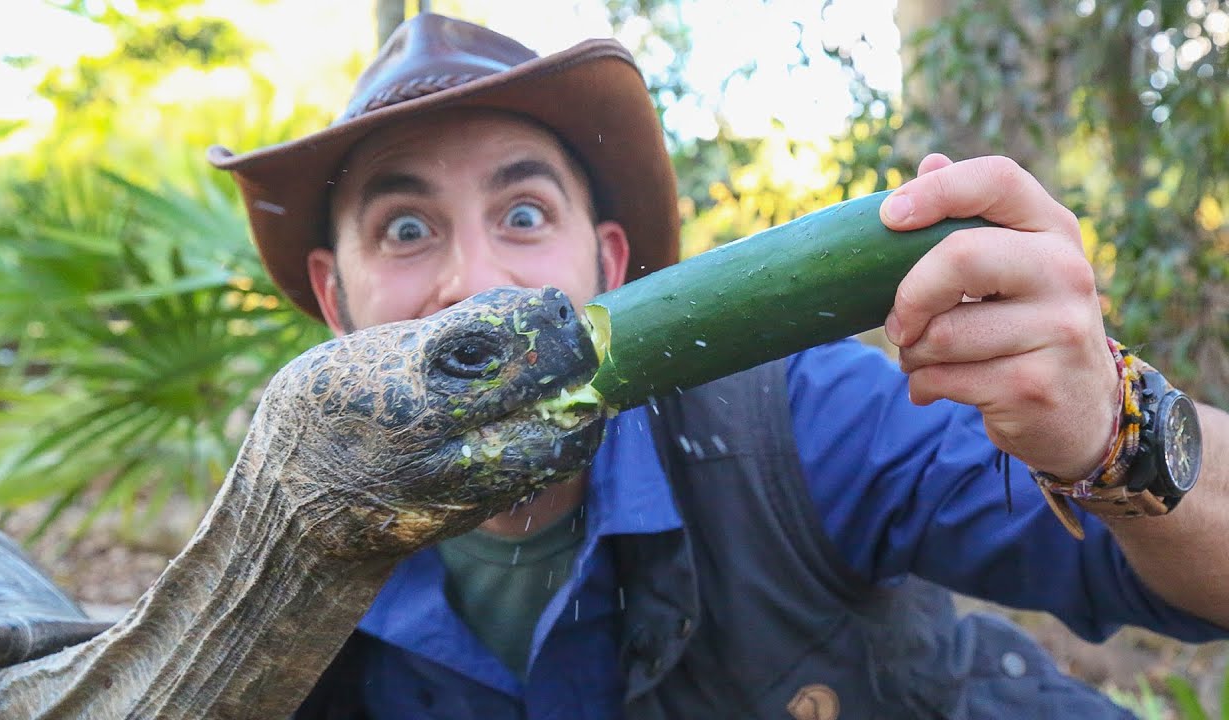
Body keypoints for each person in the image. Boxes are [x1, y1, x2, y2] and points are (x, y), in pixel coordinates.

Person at [209, 13, 1229, 719]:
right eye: (402, 230)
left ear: (606, 265)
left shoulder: (795, 418)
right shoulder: (282, 546)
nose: (471, 283)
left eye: (523, 214)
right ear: (335, 300)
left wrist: (1114, 425)